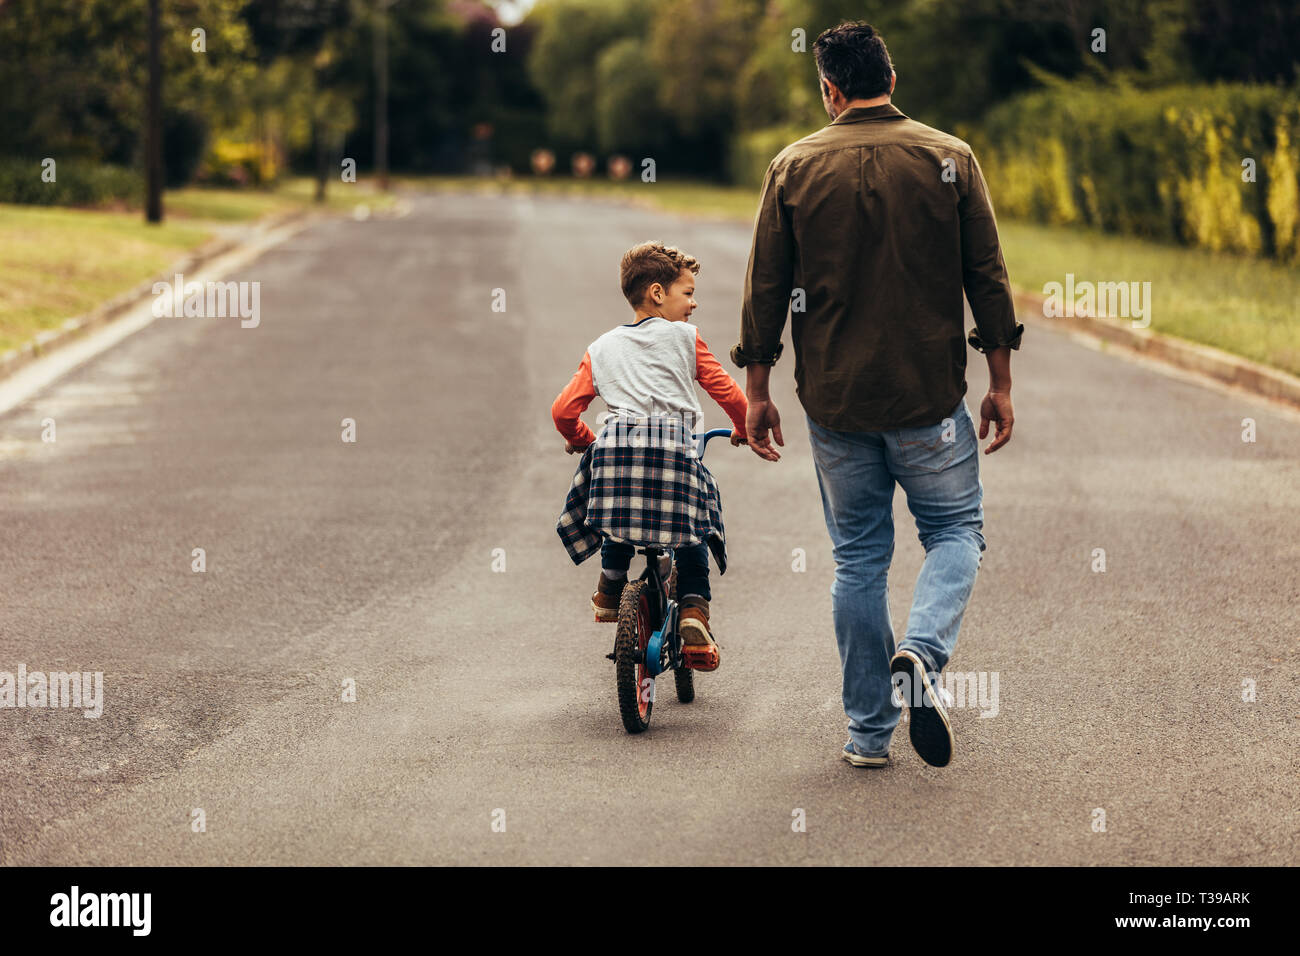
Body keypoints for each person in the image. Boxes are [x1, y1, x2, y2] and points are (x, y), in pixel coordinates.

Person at [732, 21, 1024, 767]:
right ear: (890, 79)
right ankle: (922, 651)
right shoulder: (950, 158)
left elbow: (766, 286)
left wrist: (756, 390)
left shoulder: (792, 168)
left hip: (835, 402)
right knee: (957, 532)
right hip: (929, 397)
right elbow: (985, 276)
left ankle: (868, 736)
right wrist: (1000, 380)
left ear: (830, 90)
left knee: (858, 559)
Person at [553, 240, 748, 671]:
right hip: (673, 453)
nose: (694, 304)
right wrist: (744, 427)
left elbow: (563, 411)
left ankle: (610, 586)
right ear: (658, 293)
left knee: (615, 505)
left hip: (617, 450)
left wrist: (585, 439)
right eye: (688, 293)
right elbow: (730, 394)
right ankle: (695, 611)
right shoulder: (686, 339)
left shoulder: (601, 347)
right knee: (694, 525)